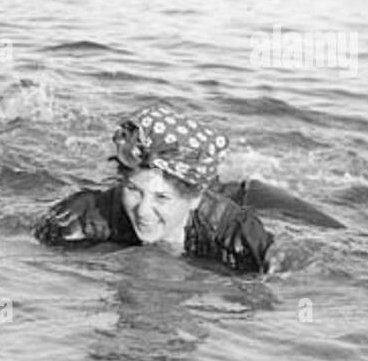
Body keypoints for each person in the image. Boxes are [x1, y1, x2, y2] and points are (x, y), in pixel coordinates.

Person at [35, 103, 281, 272]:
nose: (143, 211)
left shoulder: (237, 236)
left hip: (252, 195)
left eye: (161, 197)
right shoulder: (85, 219)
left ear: (195, 198)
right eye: (133, 190)